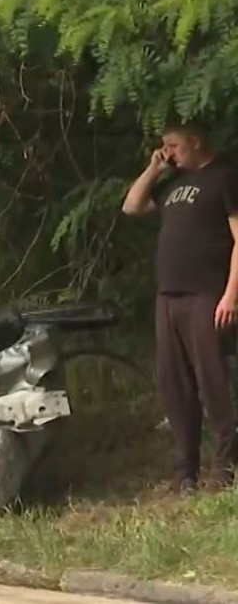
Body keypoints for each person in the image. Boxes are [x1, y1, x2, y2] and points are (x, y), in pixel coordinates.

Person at [121, 124, 238, 492]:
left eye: (173, 145)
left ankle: (225, 468)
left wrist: (231, 295)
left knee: (213, 382)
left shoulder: (223, 178)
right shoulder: (171, 182)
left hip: (207, 295)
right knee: (175, 385)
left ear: (196, 140)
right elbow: (132, 206)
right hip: (168, 296)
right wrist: (155, 167)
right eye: (164, 147)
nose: (168, 152)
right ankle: (185, 472)